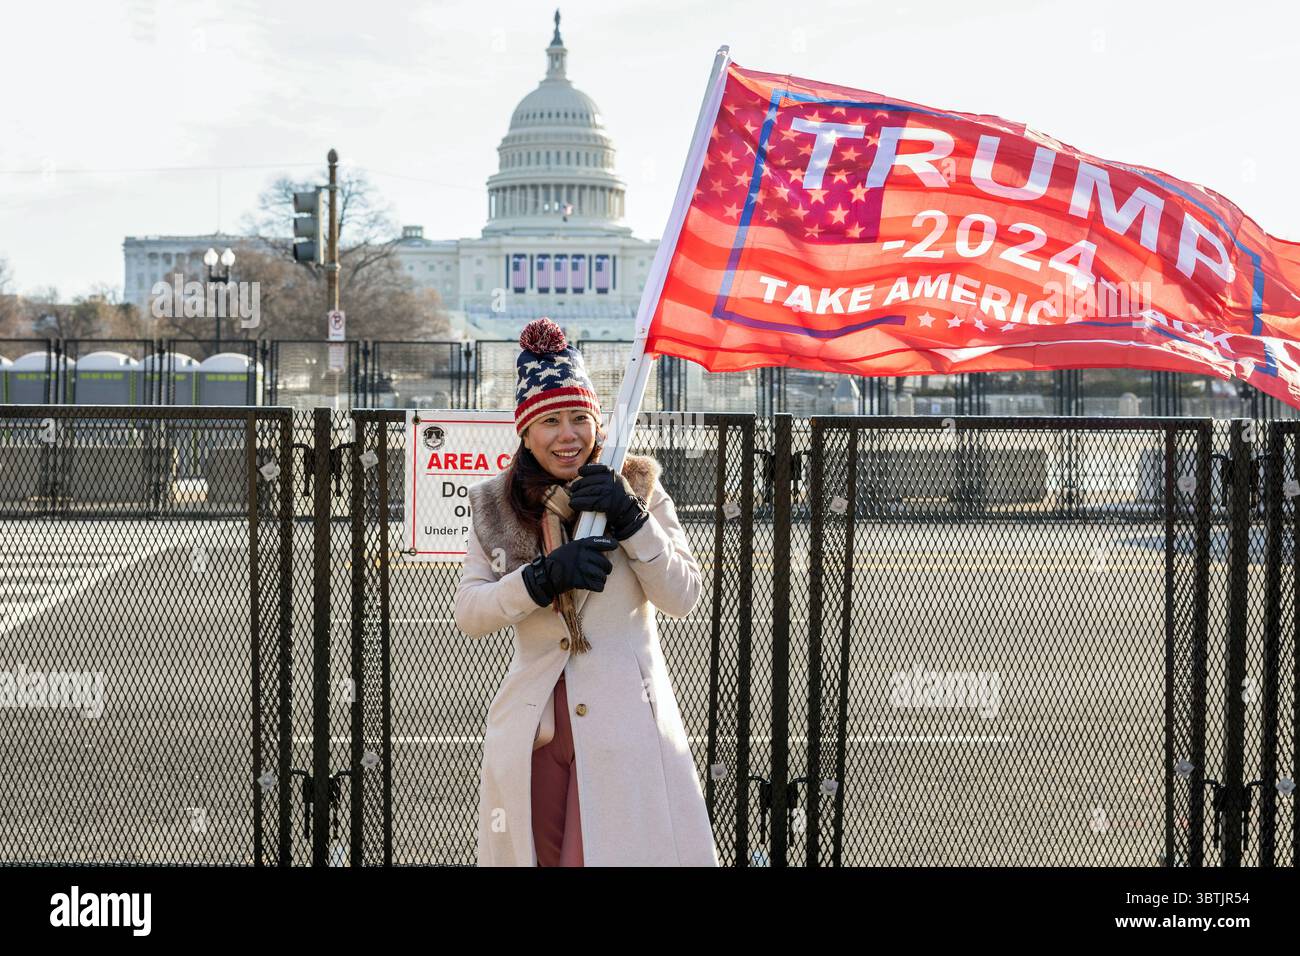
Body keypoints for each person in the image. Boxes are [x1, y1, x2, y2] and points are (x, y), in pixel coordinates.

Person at [453, 317, 720, 867]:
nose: (568, 434)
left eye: (580, 417)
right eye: (550, 420)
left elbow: (684, 596)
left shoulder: (639, 485)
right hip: (536, 730)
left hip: (626, 724)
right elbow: (471, 613)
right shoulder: (494, 505)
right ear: (525, 432)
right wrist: (540, 579)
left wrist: (632, 518)